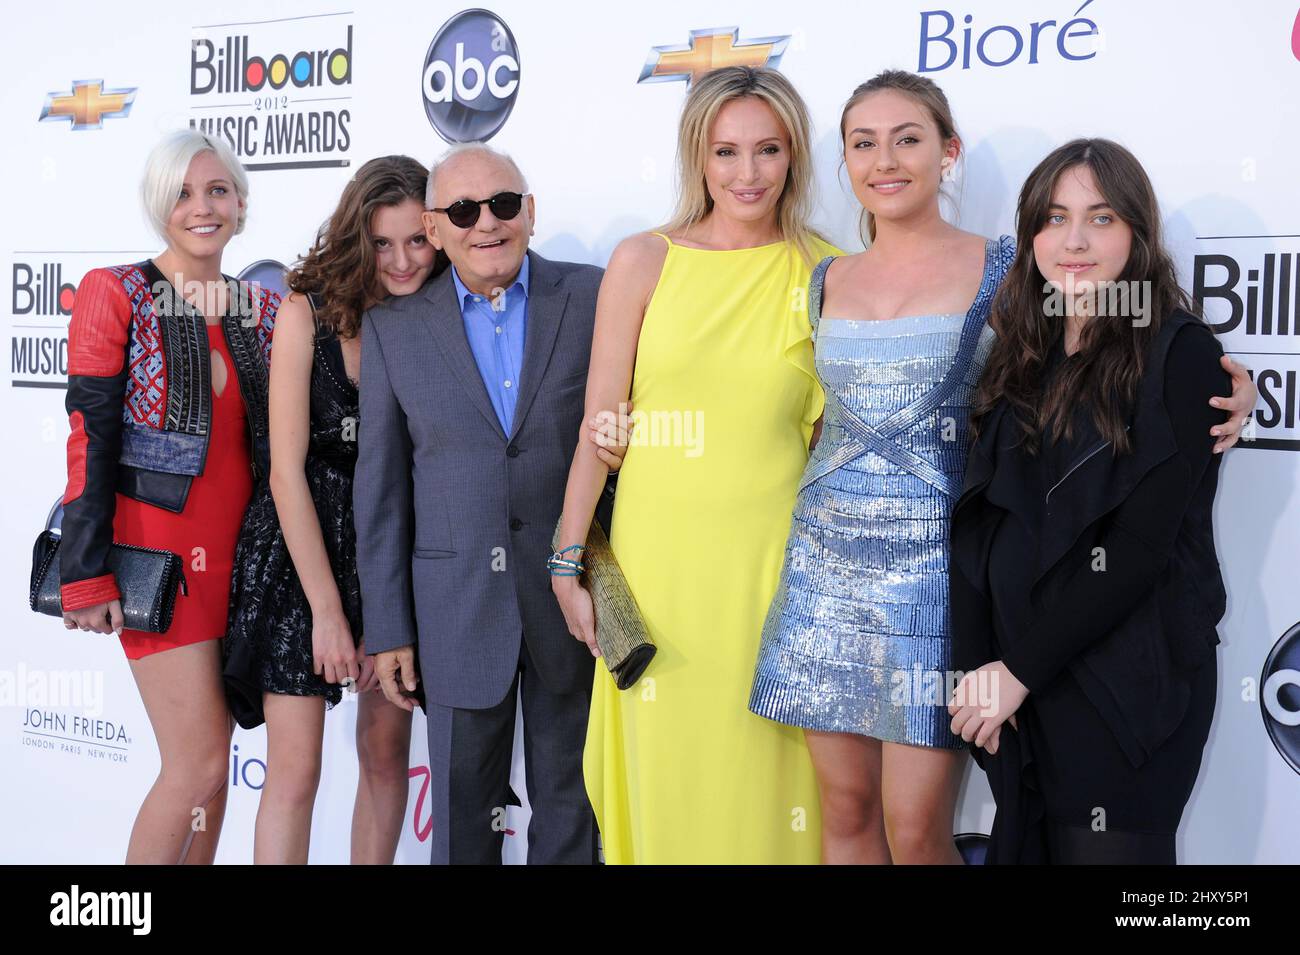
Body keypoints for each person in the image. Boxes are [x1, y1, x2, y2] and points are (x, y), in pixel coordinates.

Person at [747, 71, 1257, 865]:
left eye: (908, 138)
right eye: (863, 142)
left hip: (942, 575)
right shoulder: (820, 277)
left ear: (948, 152)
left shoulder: (1014, 274)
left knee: (918, 830)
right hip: (828, 569)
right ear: (843, 161)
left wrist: (1226, 380)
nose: (886, 159)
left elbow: (1124, 338)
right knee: (844, 813)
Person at [553, 66, 840, 864]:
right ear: (698, 157)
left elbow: (832, 442)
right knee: (668, 775)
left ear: (793, 157)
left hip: (774, 575)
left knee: (768, 783)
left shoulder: (826, 270)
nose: (747, 174)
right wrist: (566, 552)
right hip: (657, 574)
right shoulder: (645, 260)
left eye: (767, 150)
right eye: (726, 152)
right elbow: (599, 427)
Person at [948, 139, 1232, 864]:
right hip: (1021, 686)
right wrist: (980, 669)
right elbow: (985, 523)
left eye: (1100, 219)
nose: (1073, 241)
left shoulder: (1182, 352)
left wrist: (1014, 673)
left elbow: (1139, 549)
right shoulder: (1020, 350)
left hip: (1126, 682)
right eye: (1054, 218)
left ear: (1137, 233)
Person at [355, 143, 625, 865]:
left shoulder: (596, 296)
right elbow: (380, 491)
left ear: (530, 212)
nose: (487, 224)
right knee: (462, 821)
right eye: (463, 211)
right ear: (436, 229)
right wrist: (388, 628)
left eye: (504, 204)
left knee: (573, 811)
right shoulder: (394, 329)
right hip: (453, 608)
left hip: (572, 602)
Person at [59, 129, 279, 863]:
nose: (202, 207)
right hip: (156, 561)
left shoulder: (258, 310)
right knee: (199, 765)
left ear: (241, 204)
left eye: (217, 190)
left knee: (213, 777)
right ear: (161, 205)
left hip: (235, 566)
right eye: (184, 193)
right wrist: (83, 572)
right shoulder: (114, 293)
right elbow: (89, 440)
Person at [224, 156, 438, 864]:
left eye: (417, 240)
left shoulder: (439, 314)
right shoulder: (304, 312)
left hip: (394, 553)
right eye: (383, 243)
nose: (402, 260)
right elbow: (284, 472)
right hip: (301, 555)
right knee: (296, 772)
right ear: (357, 238)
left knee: (385, 758)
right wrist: (326, 610)